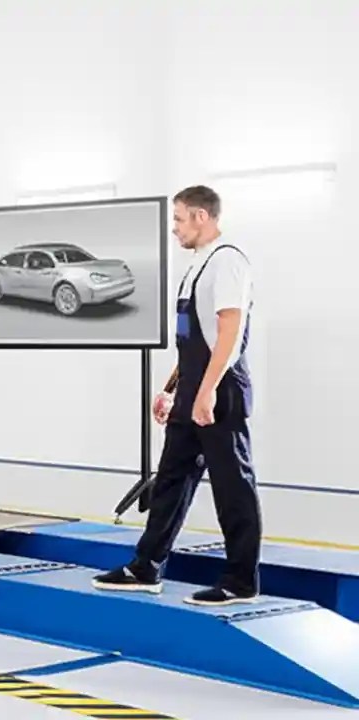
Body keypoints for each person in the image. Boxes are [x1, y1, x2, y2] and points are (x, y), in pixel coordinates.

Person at [93, 185, 261, 606]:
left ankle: (241, 581)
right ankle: (146, 567)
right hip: (192, 390)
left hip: (219, 393)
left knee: (232, 487)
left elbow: (229, 334)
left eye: (179, 219)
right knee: (170, 480)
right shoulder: (196, 267)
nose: (174, 229)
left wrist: (205, 393)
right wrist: (172, 389)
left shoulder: (227, 263)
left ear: (202, 217)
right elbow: (193, 338)